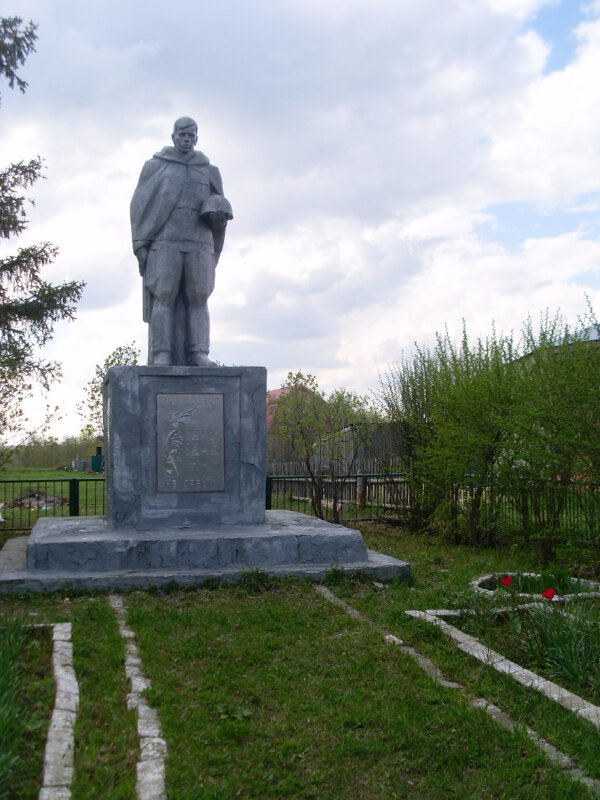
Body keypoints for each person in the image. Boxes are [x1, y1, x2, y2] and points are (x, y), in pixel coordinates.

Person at [130, 117, 232, 366]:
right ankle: (162, 353)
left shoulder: (209, 170)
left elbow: (219, 206)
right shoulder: (155, 166)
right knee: (164, 297)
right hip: (165, 242)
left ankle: (199, 353)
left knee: (199, 298)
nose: (186, 139)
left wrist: (219, 217)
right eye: (182, 135)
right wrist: (141, 243)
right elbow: (140, 206)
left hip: (199, 243)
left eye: (191, 135)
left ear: (196, 138)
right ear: (173, 137)